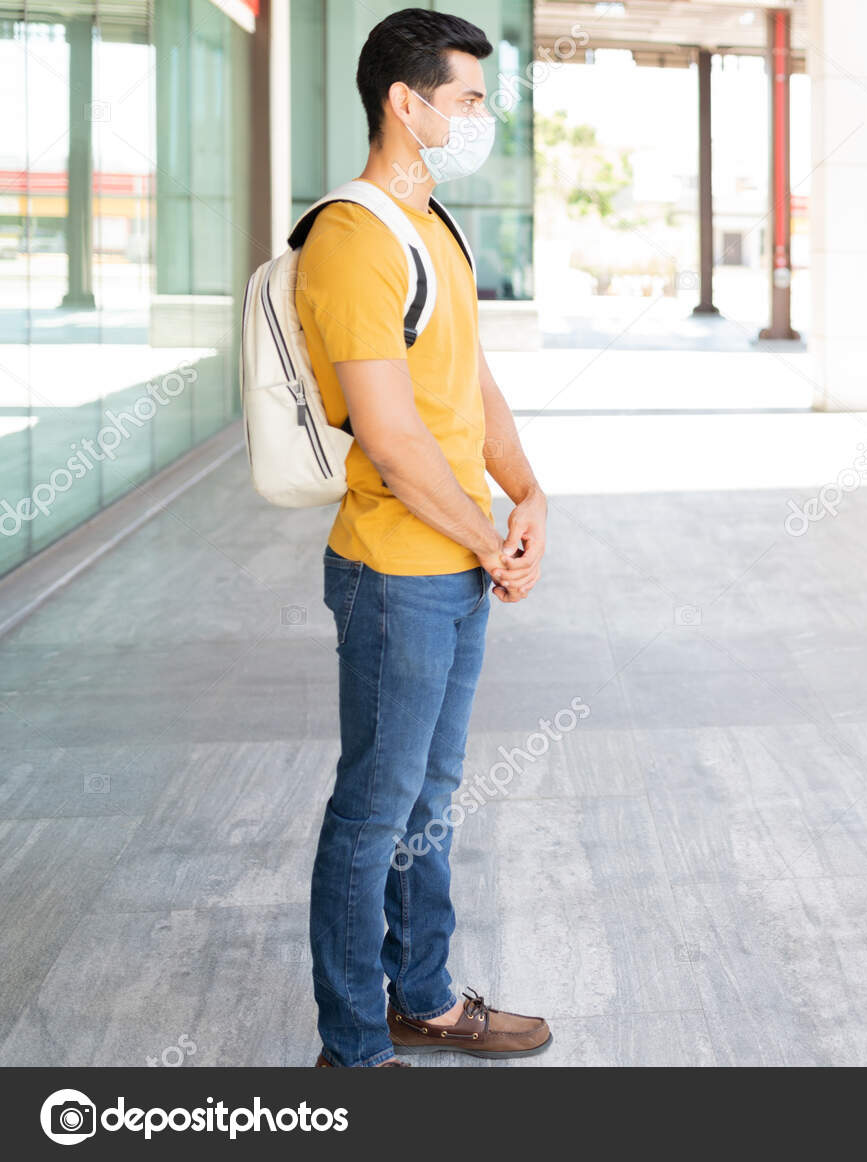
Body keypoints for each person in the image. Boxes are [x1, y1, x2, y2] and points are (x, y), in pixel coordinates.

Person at [299, 8, 551, 1065]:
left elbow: (466, 377)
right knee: (373, 811)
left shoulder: (430, 222)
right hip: (396, 573)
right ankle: (355, 1049)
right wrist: (489, 541)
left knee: (429, 802)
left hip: (451, 566)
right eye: (466, 99)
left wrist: (526, 491)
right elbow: (395, 445)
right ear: (405, 104)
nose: (480, 118)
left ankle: (426, 995)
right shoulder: (353, 238)